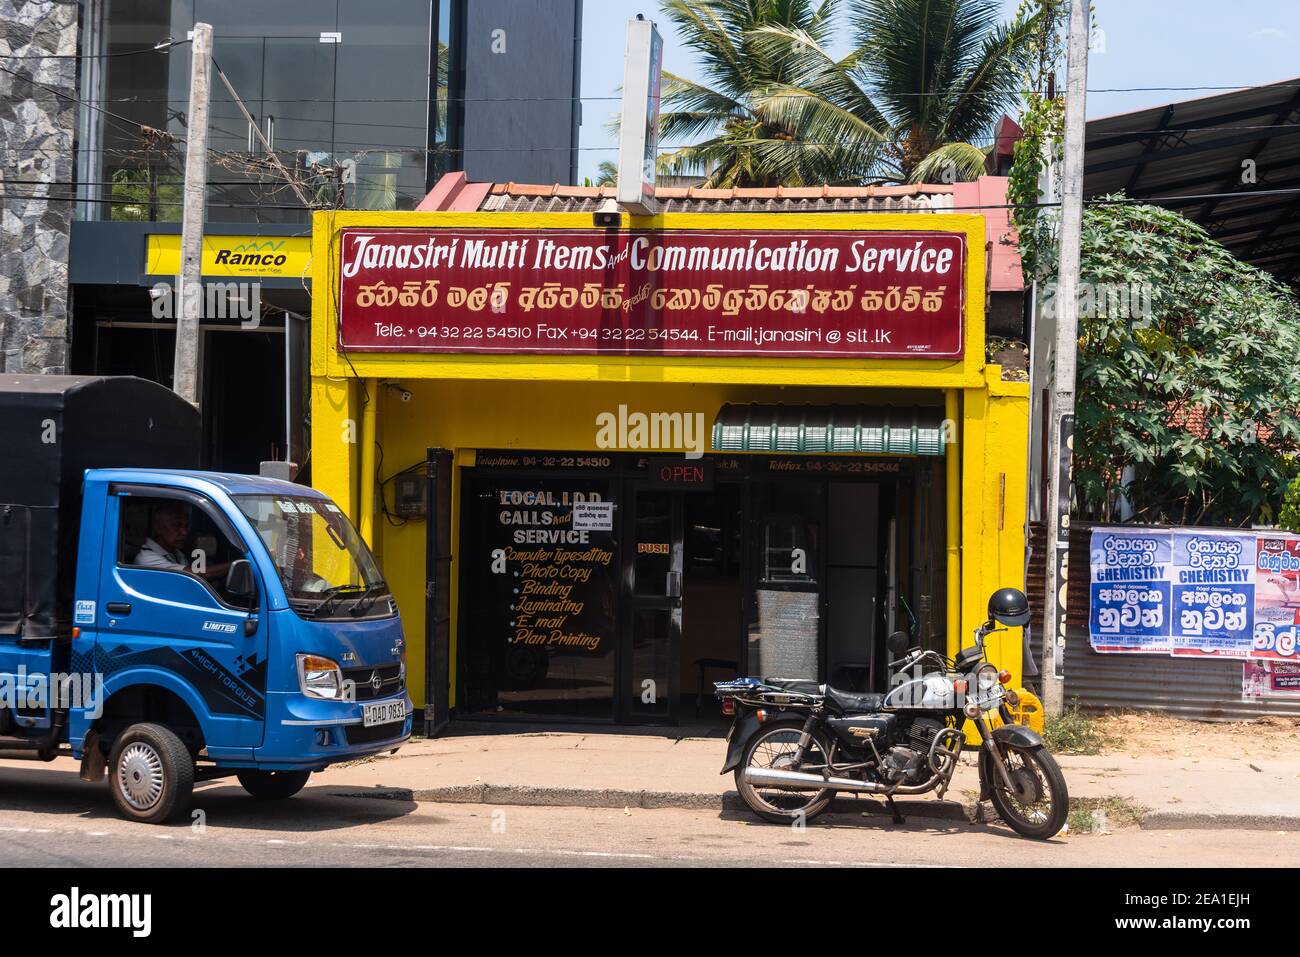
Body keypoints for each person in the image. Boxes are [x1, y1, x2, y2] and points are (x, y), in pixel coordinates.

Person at [134, 502, 231, 582]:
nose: (184, 532)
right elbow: (201, 575)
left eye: (186, 526)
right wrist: (235, 565)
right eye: (176, 525)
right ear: (158, 527)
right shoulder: (147, 558)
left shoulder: (176, 552)